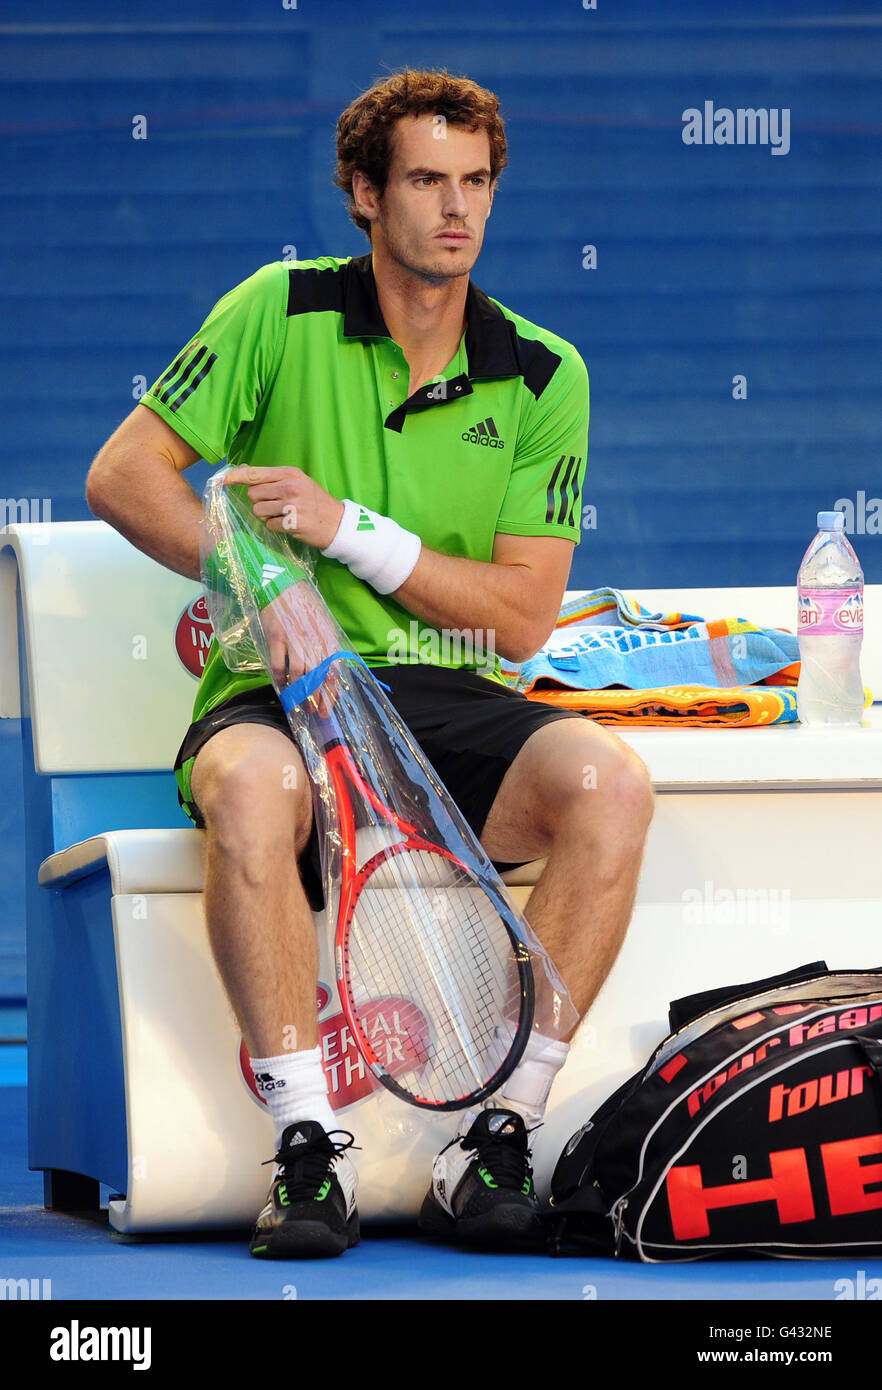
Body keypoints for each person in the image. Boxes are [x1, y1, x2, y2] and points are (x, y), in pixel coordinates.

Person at [86, 68, 654, 1259]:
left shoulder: (547, 372)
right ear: (362, 192)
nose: (457, 209)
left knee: (612, 784)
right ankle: (304, 1148)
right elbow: (122, 475)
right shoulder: (275, 311)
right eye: (427, 181)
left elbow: (519, 620)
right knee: (250, 788)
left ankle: (499, 1134)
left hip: (445, 690)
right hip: (273, 688)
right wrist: (265, 582)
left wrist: (347, 534)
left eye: (477, 183)